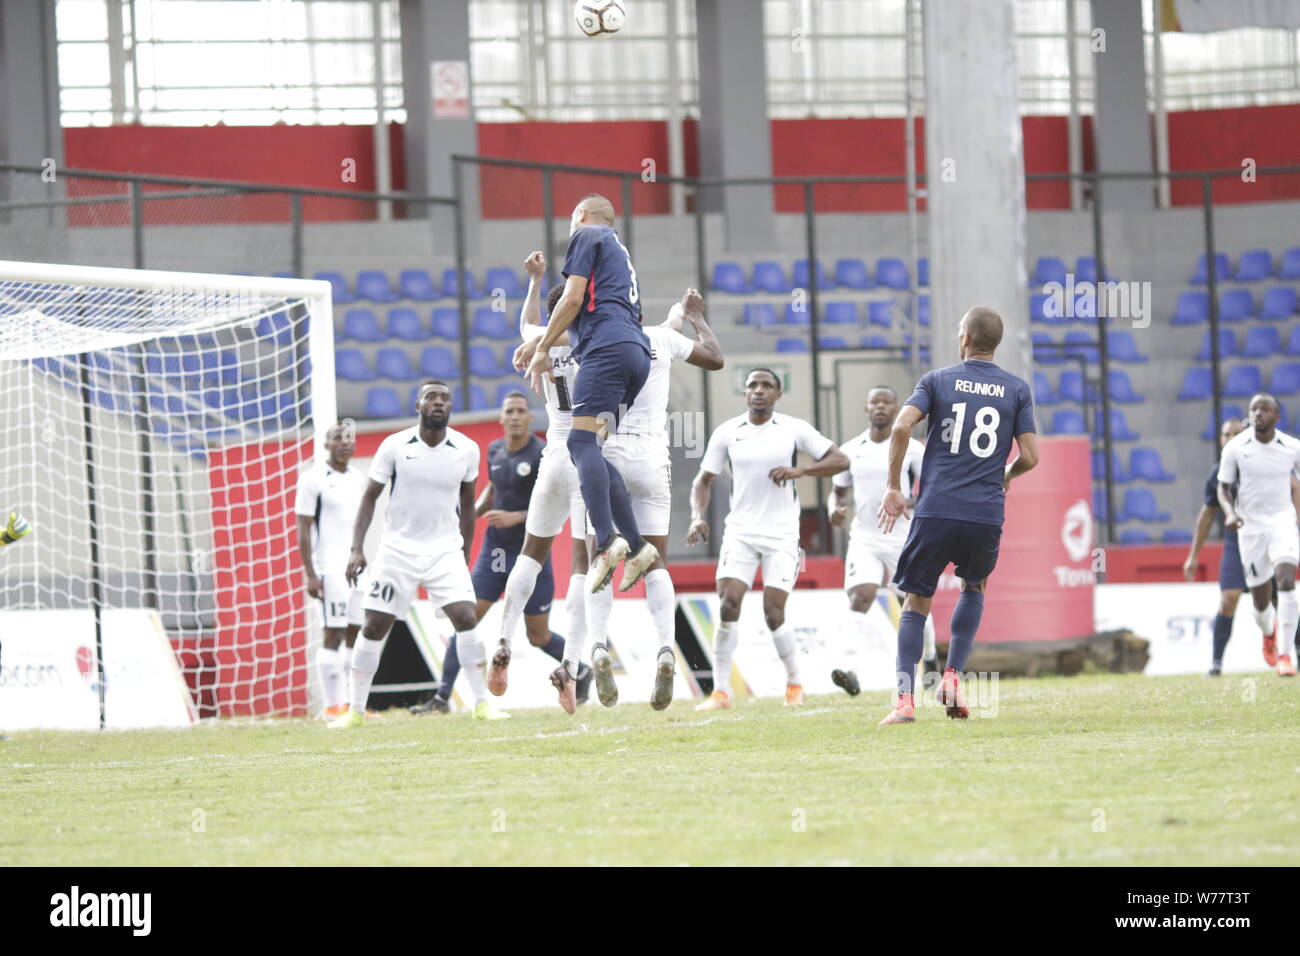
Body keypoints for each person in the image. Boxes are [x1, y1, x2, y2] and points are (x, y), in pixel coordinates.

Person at [877, 306, 1038, 725]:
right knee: (975, 586)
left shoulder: (937, 380)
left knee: (917, 601)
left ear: (964, 338)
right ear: (995, 342)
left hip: (936, 509)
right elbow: (1032, 456)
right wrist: (1005, 474)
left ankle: (905, 701)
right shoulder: (1017, 389)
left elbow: (899, 429)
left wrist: (894, 487)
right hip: (985, 511)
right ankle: (951, 677)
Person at [580, 289, 725, 713]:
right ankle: (665, 649)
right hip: (651, 461)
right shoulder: (661, 340)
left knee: (600, 557)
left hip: (607, 455)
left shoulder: (598, 339)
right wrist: (694, 318)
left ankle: (598, 647)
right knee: (655, 561)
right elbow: (715, 358)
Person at [513, 194, 658, 600]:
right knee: (590, 447)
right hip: (634, 356)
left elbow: (572, 300)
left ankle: (609, 539)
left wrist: (541, 348)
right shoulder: (620, 256)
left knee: (578, 444)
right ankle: (639, 546)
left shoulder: (588, 233)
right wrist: (543, 339)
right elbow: (586, 311)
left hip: (607, 353)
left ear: (579, 215)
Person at [329, 380, 498, 727]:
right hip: (398, 550)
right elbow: (369, 497)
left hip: (445, 550)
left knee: (467, 618)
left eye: (445, 399)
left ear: (450, 408)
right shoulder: (394, 445)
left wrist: (463, 554)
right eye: (431, 398)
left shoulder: (466, 449)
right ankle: (355, 711)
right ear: (418, 406)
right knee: (374, 625)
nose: (439, 403)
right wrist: (357, 548)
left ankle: (483, 704)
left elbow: (468, 505)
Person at [412, 390, 583, 716]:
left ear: (530, 418)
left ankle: (582, 671)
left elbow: (550, 502)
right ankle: (442, 696)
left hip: (533, 553)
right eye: (510, 411)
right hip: (496, 552)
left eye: (521, 411)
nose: (516, 416)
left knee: (538, 635)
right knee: (466, 619)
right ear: (502, 418)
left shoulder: (542, 454)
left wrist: (516, 517)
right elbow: (495, 489)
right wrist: (470, 514)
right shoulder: (493, 450)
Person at [687, 368, 849, 710]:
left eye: (766, 386)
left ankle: (794, 685)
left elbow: (839, 460)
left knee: (773, 612)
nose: (758, 391)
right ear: (745, 393)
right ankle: (720, 692)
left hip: (782, 535)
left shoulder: (793, 429)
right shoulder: (728, 432)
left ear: (778, 394)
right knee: (728, 603)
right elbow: (703, 481)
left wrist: (801, 470)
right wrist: (698, 517)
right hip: (740, 533)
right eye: (752, 386)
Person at [486, 252, 593, 712]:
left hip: (553, 451)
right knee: (584, 564)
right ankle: (569, 668)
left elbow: (529, 322)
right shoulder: (597, 339)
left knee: (531, 554)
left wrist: (534, 279)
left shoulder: (542, 340)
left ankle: (504, 639)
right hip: (588, 454)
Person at [828, 386, 936, 696]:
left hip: (903, 537)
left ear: (896, 410)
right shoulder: (849, 450)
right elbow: (837, 493)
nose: (880, 407)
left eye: (887, 402)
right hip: (865, 538)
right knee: (860, 597)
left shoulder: (912, 448)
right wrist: (833, 510)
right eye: (874, 402)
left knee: (912, 605)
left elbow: (929, 486)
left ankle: (929, 658)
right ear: (866, 409)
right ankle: (849, 669)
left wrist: (911, 502)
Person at [1217, 393, 1300, 677]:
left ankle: (1286, 656)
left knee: (1287, 580)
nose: (1259, 413)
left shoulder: (1292, 447)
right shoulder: (1236, 448)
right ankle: (1268, 633)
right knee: (1260, 602)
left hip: (1282, 522)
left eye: (1266, 409)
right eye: (1254, 409)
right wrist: (1230, 512)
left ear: (1277, 416)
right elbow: (1224, 487)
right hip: (1250, 529)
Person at [294, 423, 366, 719]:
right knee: (332, 635)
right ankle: (331, 705)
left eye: (349, 438)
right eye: (338, 438)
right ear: (326, 445)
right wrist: (311, 573)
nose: (344, 443)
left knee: (356, 633)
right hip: (329, 568)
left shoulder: (358, 478)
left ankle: (351, 705)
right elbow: (303, 528)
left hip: (356, 569)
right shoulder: (312, 479)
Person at [1183, 418, 1246, 675]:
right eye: (1226, 434)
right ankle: (1216, 663)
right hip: (1236, 543)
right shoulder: (1218, 473)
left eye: (1236, 434)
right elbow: (1207, 515)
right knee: (1229, 599)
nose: (1230, 438)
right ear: (1221, 439)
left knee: (1280, 599)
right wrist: (1193, 555)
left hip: (1266, 542)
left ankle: (1290, 654)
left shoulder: (1261, 465)